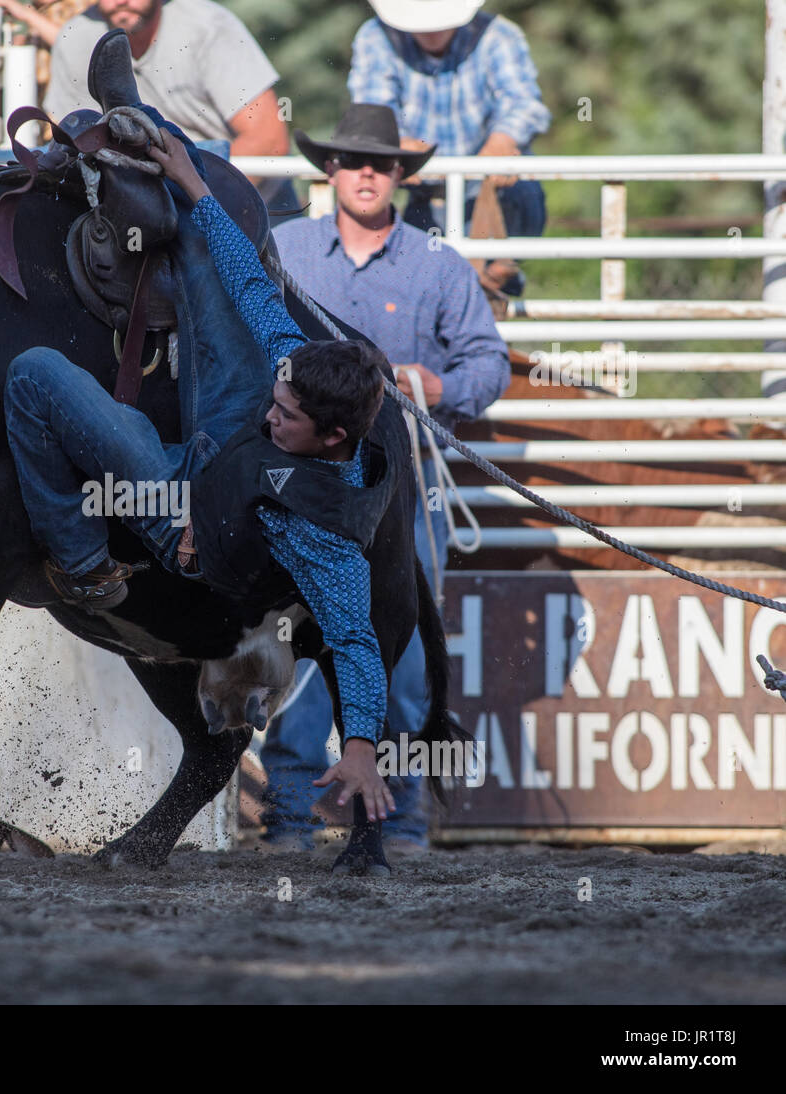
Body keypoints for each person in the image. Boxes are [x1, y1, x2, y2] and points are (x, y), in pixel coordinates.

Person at [4, 122, 398, 832]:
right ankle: (152, 136)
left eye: (289, 415)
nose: (277, 413)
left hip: (182, 511)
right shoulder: (290, 373)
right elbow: (252, 284)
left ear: (334, 437)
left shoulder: (325, 531)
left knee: (34, 375)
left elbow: (356, 643)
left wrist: (362, 747)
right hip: (226, 444)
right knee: (213, 262)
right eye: (279, 399)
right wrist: (194, 183)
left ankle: (82, 559)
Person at [265, 102, 509, 852]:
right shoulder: (284, 249)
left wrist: (428, 388)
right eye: (351, 160)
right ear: (329, 170)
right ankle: (291, 816)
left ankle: (400, 819)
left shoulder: (436, 264)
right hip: (303, 485)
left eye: (380, 163)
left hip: (403, 487)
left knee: (400, 649)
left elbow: (487, 363)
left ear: (399, 174)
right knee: (301, 645)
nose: (365, 173)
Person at [349, 0, 551, 282]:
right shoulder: (376, 36)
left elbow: (523, 103)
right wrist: (395, 140)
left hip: (491, 190)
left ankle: (498, 276)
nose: (431, 30)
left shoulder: (500, 35)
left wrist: (504, 139)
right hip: (424, 193)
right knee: (423, 284)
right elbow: (373, 106)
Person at [41, 0, 294, 210]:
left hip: (246, 201)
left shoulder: (208, 27)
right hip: (138, 200)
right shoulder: (74, 38)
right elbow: (71, 143)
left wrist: (191, 194)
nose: (120, 1)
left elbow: (269, 140)